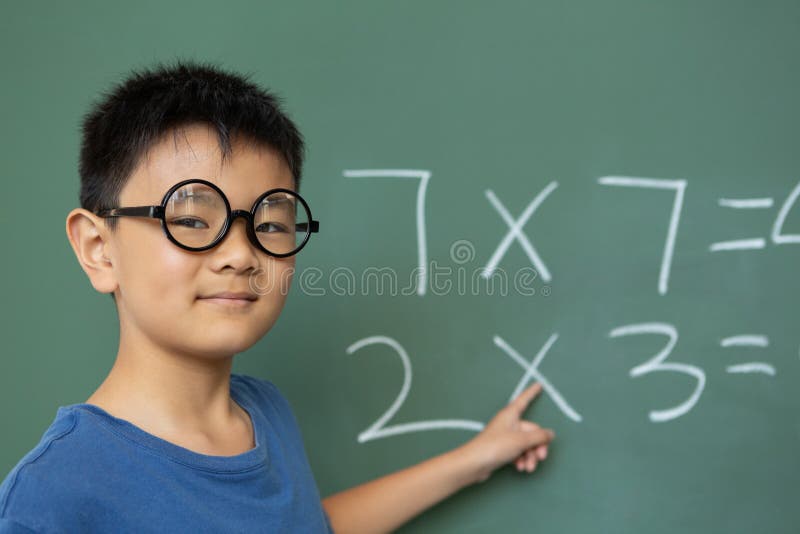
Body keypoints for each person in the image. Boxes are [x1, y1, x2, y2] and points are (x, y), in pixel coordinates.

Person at [0, 60, 556, 533]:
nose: (241, 254)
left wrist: (477, 459)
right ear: (99, 248)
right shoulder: (54, 498)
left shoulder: (265, 413)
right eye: (192, 218)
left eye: (270, 223)